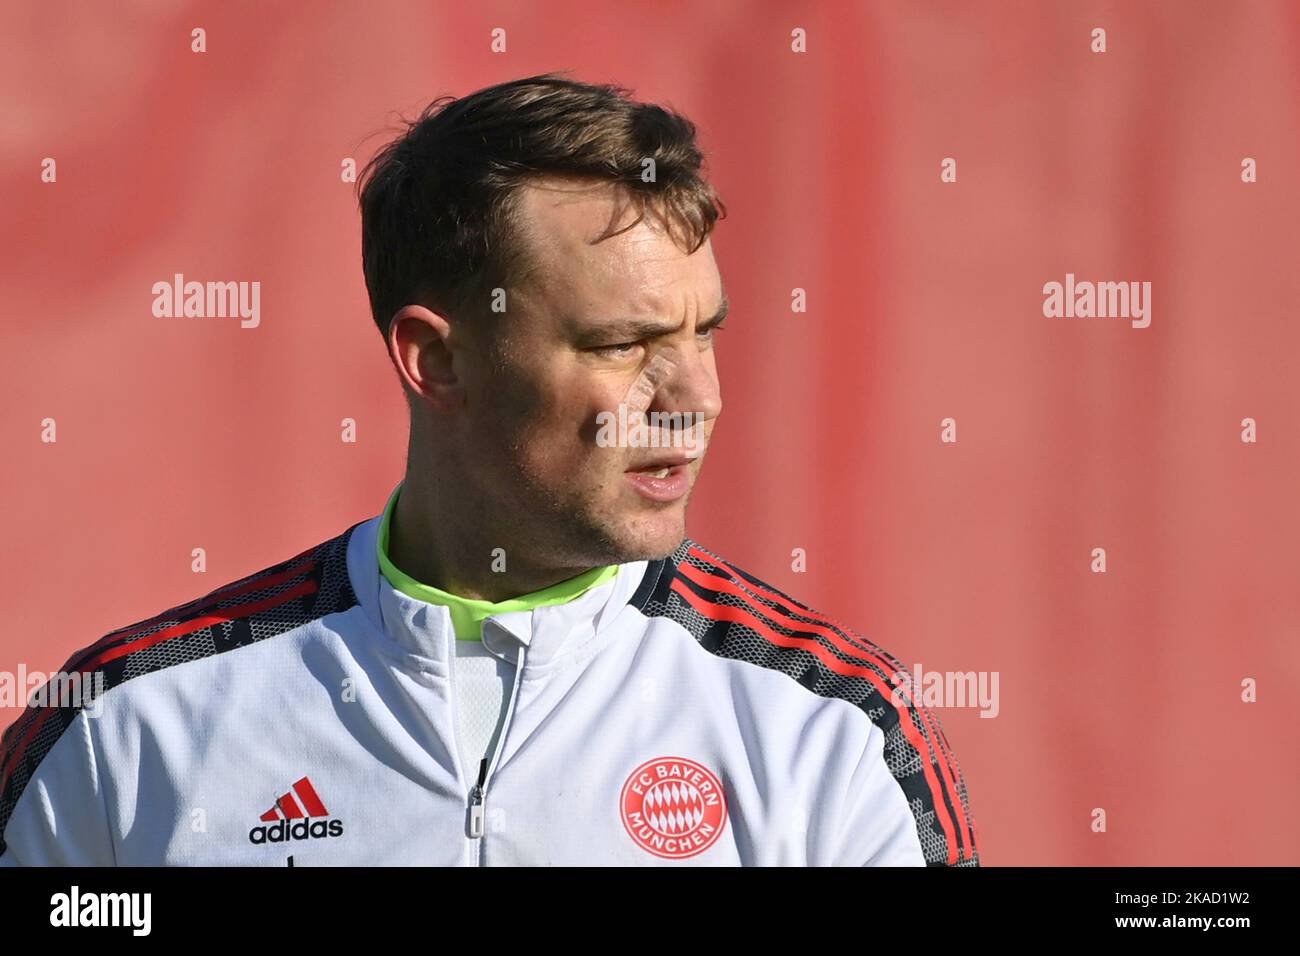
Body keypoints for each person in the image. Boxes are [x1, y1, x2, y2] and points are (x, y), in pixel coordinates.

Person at [0, 73, 979, 866]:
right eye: (622, 344)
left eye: (704, 331)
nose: (695, 395)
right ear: (438, 360)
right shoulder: (127, 725)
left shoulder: (831, 726)